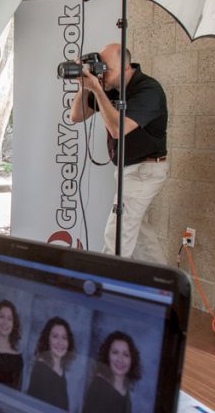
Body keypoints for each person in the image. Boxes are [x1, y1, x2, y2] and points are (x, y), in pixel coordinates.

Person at [70, 43, 168, 264]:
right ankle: (163, 290)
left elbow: (117, 130)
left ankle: (105, 289)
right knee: (142, 240)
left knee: (116, 236)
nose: (103, 73)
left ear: (126, 67)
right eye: (100, 67)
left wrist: (96, 88)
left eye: (108, 69)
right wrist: (84, 86)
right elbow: (76, 116)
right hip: (127, 169)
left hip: (146, 170)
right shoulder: (109, 87)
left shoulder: (148, 90)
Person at [81, 331, 142, 413]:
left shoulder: (125, 388)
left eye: (126, 354)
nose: (120, 359)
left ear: (132, 360)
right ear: (107, 356)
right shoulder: (99, 387)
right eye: (115, 352)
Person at [26, 317, 76, 410]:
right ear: (47, 340)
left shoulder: (60, 369)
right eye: (55, 336)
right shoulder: (41, 370)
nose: (60, 342)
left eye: (64, 337)